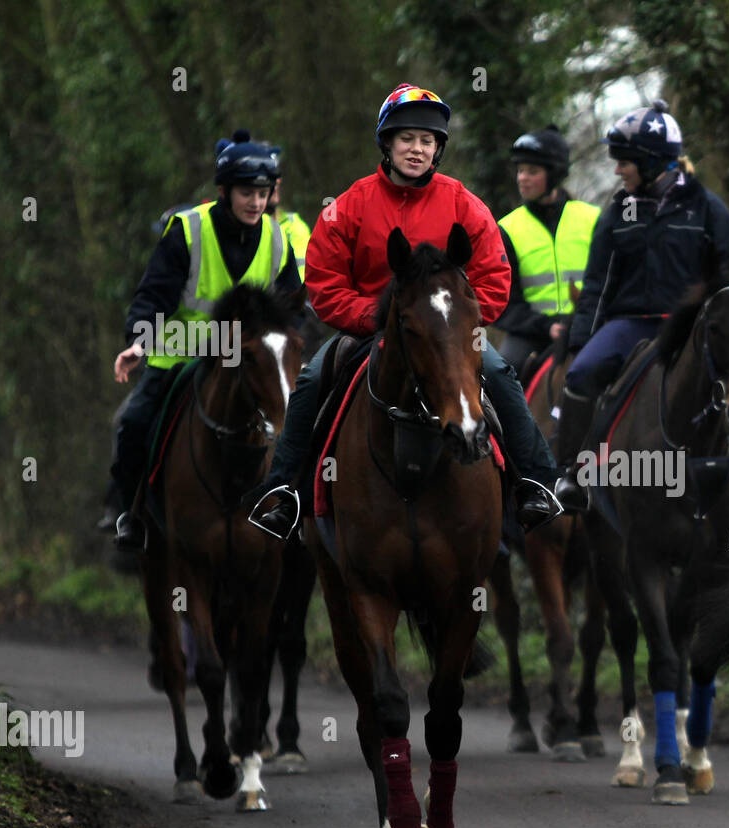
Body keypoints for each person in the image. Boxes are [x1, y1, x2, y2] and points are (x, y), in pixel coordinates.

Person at [249, 85, 562, 538]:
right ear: (387, 143)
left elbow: (494, 278)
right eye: (407, 138)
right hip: (369, 333)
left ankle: (537, 481)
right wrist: (377, 320)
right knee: (313, 379)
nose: (417, 149)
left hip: (450, 336)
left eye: (427, 141)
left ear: (438, 150)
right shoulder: (348, 207)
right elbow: (323, 281)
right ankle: (284, 494)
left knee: (500, 373)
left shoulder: (465, 205)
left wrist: (456, 324)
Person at [111, 131, 300, 551]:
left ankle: (298, 511)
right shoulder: (186, 230)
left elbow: (292, 307)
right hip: (183, 351)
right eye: (246, 192)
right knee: (133, 422)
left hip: (252, 359)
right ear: (224, 191)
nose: (255, 202)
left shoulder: (277, 238)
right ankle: (129, 512)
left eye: (263, 193)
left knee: (299, 421)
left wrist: (295, 348)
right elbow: (153, 294)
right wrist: (138, 343)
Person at [552, 100, 729, 511]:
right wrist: (581, 339)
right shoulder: (618, 210)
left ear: (653, 162)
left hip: (694, 330)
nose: (618, 170)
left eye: (625, 162)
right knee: (581, 375)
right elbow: (596, 282)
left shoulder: (709, 210)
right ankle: (572, 473)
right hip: (631, 325)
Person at [494, 126, 600, 372]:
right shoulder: (507, 228)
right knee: (497, 373)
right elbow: (505, 300)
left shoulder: (592, 218)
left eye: (532, 171)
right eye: (520, 170)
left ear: (554, 175)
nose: (522, 177)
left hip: (589, 324)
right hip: (533, 333)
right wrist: (546, 326)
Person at [265, 143, 312, 281]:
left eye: (277, 175)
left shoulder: (295, 225)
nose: (277, 181)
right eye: (269, 176)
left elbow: (303, 282)